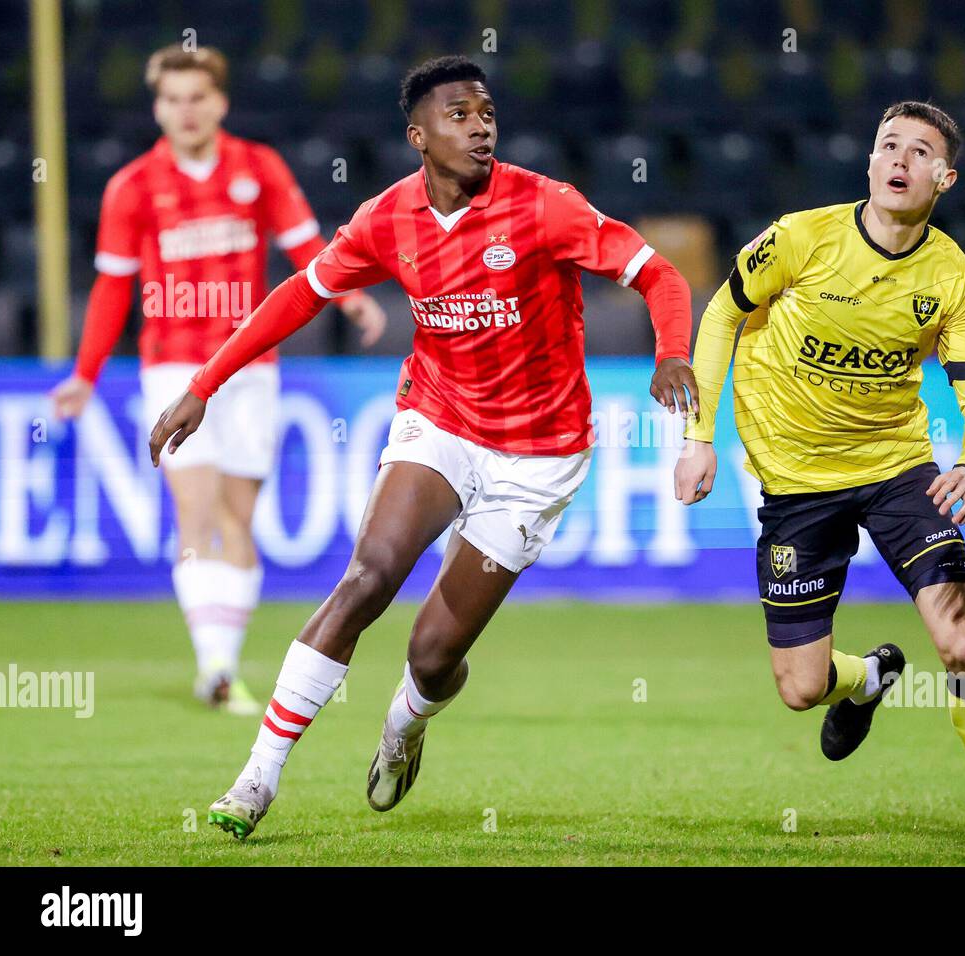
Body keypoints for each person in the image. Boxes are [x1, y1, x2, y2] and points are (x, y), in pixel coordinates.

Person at [149, 55, 697, 840]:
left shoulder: (546, 207)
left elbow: (661, 277)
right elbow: (302, 293)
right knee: (368, 577)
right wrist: (205, 384)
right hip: (439, 420)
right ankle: (255, 780)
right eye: (459, 115)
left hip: (538, 456)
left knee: (434, 653)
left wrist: (670, 349)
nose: (480, 127)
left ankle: (405, 726)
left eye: (487, 113)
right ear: (419, 135)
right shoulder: (387, 218)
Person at [674, 101, 965, 844]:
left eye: (919, 152)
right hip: (796, 478)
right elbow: (721, 313)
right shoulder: (802, 237)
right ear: (870, 161)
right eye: (889, 146)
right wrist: (700, 437)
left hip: (896, 469)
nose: (900, 161)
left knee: (962, 642)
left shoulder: (950, 275)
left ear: (945, 177)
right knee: (801, 688)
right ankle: (869, 678)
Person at [50, 45, 387, 714]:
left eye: (197, 97)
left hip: (251, 364)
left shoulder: (257, 168)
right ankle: (216, 669)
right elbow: (114, 289)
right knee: (196, 512)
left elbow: (306, 248)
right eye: (173, 99)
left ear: (220, 102)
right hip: (175, 370)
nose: (186, 110)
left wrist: (348, 296)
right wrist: (84, 375)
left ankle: (222, 666)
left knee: (239, 517)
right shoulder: (132, 187)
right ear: (158, 108)